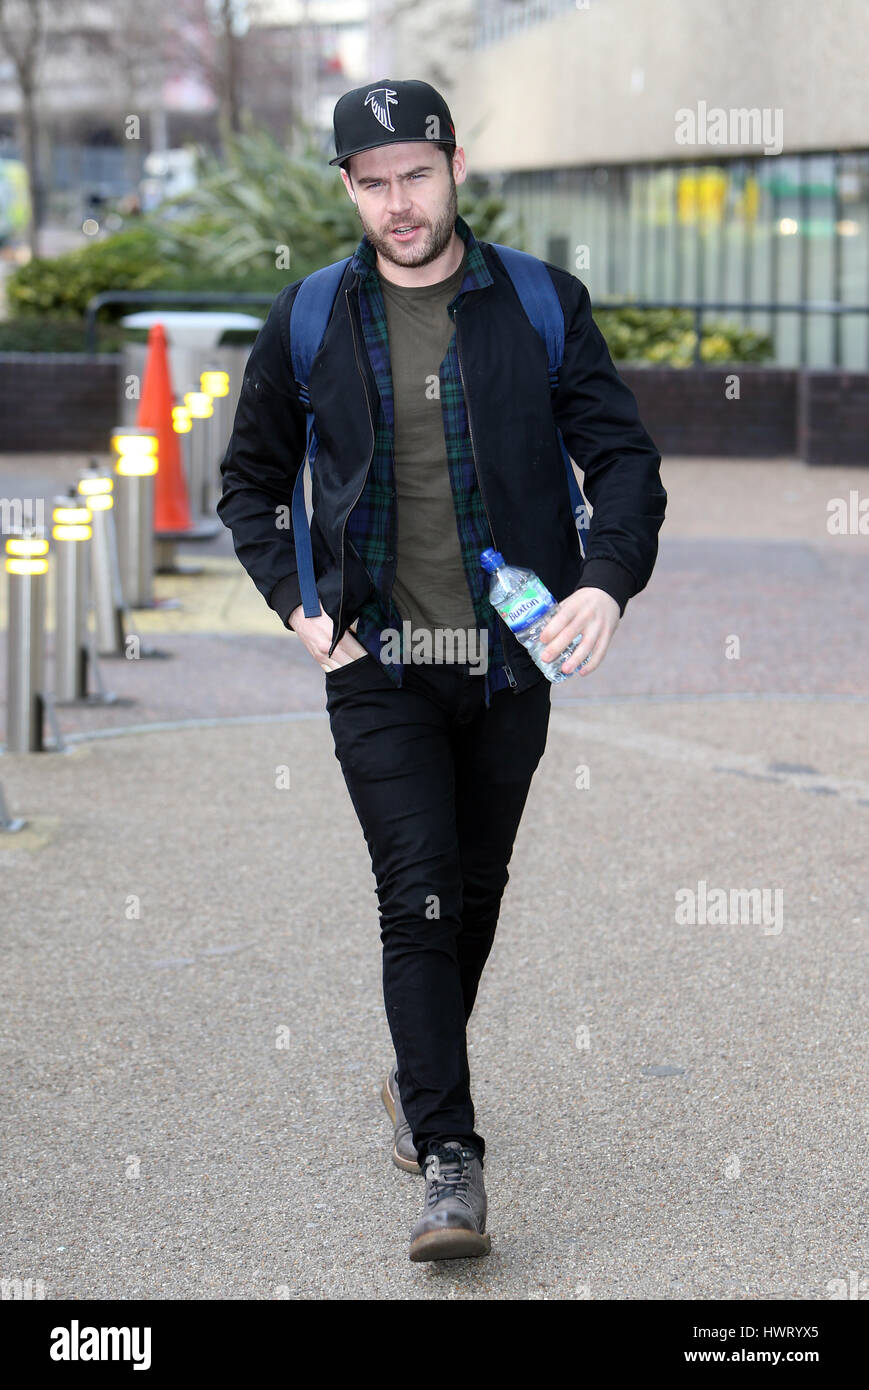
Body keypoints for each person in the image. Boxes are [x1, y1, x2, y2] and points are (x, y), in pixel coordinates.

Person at [217, 77, 667, 1263]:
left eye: (415, 175)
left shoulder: (535, 302)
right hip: (378, 661)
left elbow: (622, 462)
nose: (397, 202)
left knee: (470, 888)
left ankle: (417, 1078)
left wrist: (602, 580)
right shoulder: (311, 317)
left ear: (453, 166)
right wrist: (300, 604)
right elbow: (246, 486)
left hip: (508, 661)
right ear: (350, 191)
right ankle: (449, 1162)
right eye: (372, 183)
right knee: (414, 888)